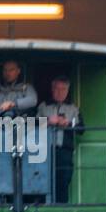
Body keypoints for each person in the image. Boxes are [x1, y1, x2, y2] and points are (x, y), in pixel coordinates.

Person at [37, 75, 84, 203]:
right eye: (57, 89)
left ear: (68, 91)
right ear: (52, 90)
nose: (60, 92)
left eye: (63, 89)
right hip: (44, 151)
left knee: (63, 182)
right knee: (42, 181)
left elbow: (81, 129)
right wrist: (48, 121)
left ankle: (61, 211)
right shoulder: (43, 106)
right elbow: (32, 125)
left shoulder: (73, 108)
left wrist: (68, 124)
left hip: (64, 151)